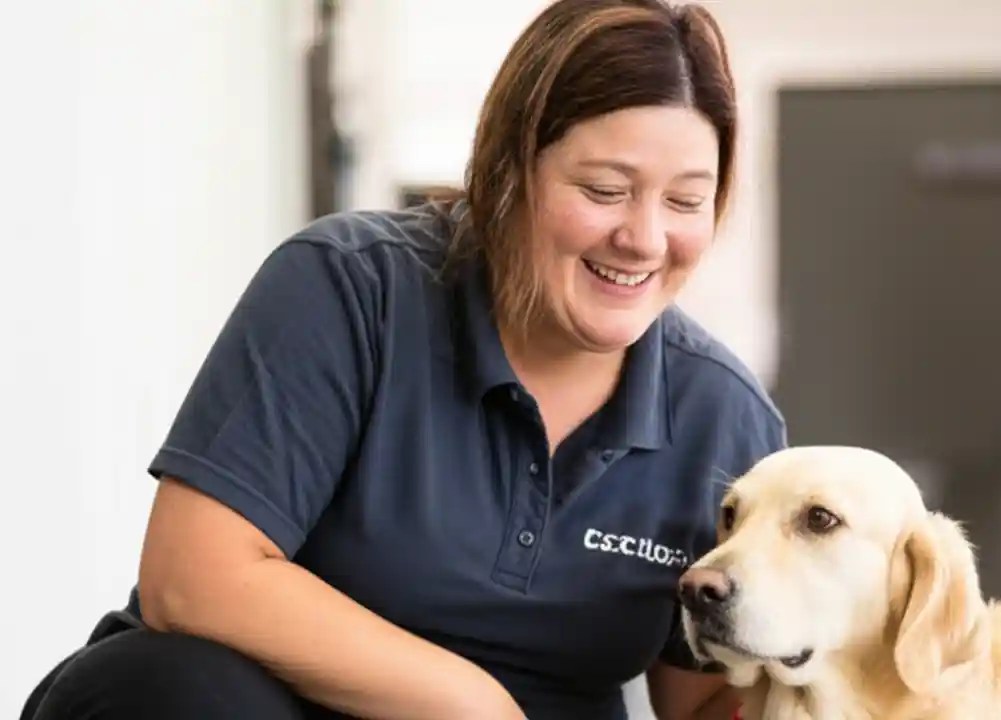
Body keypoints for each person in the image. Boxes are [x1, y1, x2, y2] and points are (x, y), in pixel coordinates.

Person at [21, 0, 786, 717]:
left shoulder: (725, 420)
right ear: (512, 169)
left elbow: (703, 701)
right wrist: (471, 703)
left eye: (686, 201)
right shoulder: (351, 288)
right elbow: (191, 580)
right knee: (167, 684)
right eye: (605, 189)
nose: (645, 240)